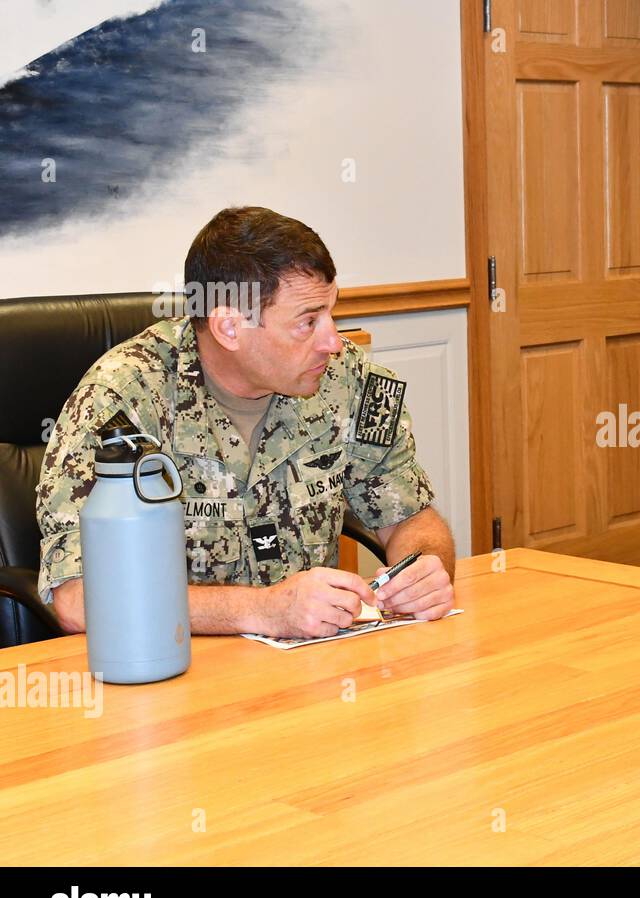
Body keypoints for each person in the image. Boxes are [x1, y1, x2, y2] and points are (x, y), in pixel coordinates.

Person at [36, 206, 456, 639]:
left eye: (331, 313)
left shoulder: (351, 381)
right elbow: (77, 599)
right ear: (229, 328)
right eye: (307, 322)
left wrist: (423, 569)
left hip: (316, 669)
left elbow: (411, 518)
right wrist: (262, 610)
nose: (332, 341)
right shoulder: (121, 400)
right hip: (174, 670)